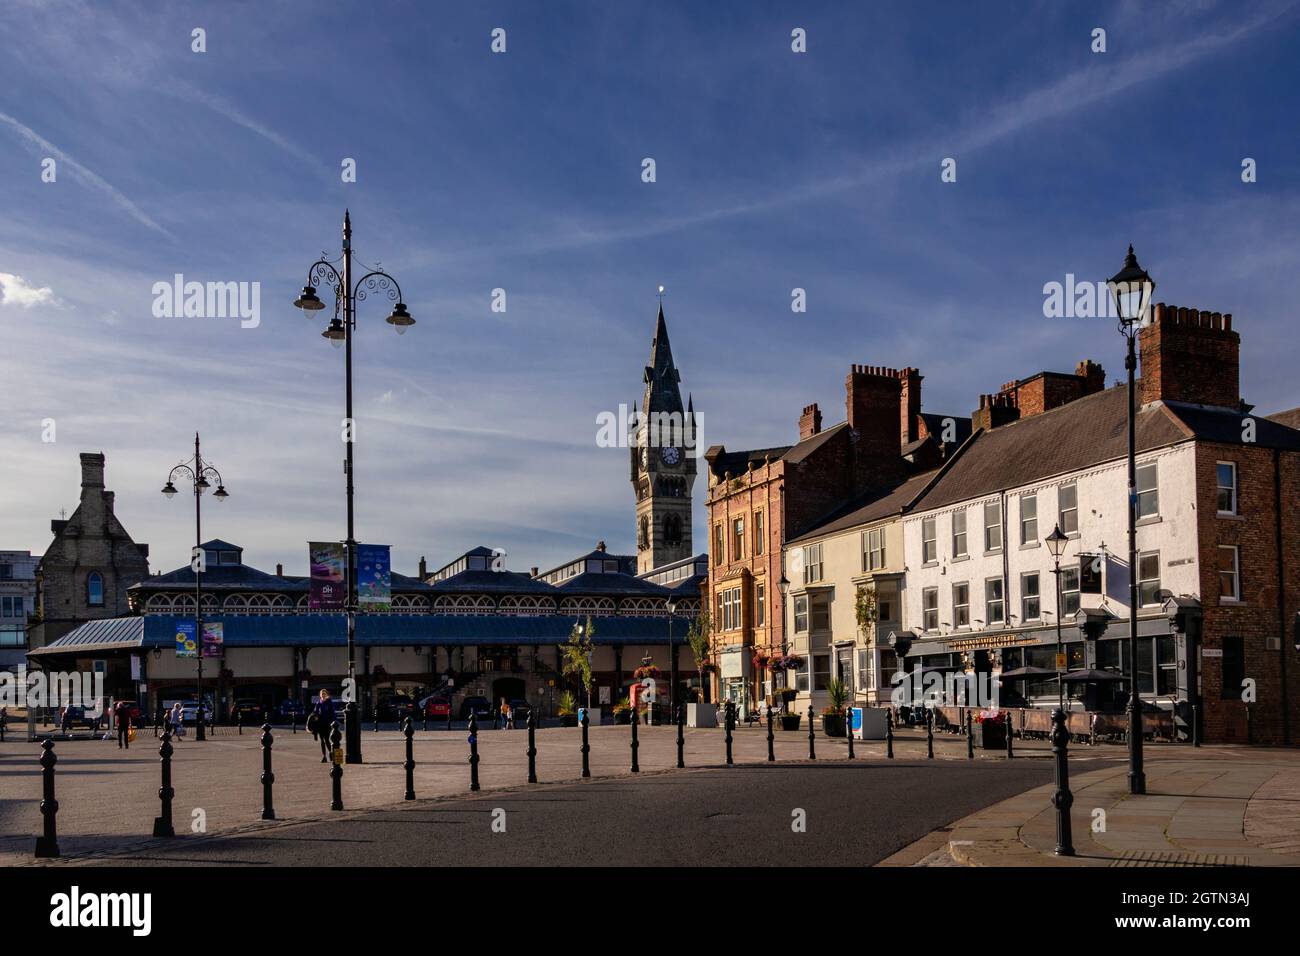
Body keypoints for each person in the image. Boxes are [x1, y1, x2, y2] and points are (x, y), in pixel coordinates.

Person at [312, 689, 337, 762]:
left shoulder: (329, 703)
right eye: (322, 694)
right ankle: (324, 756)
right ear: (320, 695)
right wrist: (314, 716)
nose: (323, 695)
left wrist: (333, 722)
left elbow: (332, 713)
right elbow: (315, 712)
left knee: (327, 740)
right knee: (322, 740)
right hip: (320, 724)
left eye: (324, 694)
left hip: (327, 724)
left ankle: (330, 753)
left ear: (326, 694)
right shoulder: (318, 703)